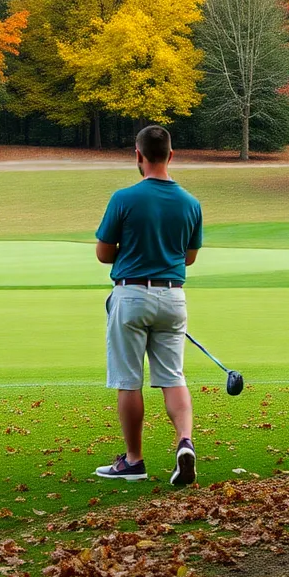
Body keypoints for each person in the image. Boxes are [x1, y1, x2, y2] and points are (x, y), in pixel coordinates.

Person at [94, 125, 203, 487]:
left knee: (129, 381)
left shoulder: (123, 198)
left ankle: (134, 461)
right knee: (173, 377)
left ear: (137, 155)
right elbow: (188, 258)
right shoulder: (190, 203)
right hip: (173, 297)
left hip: (132, 295)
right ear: (171, 155)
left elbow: (103, 253)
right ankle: (184, 442)